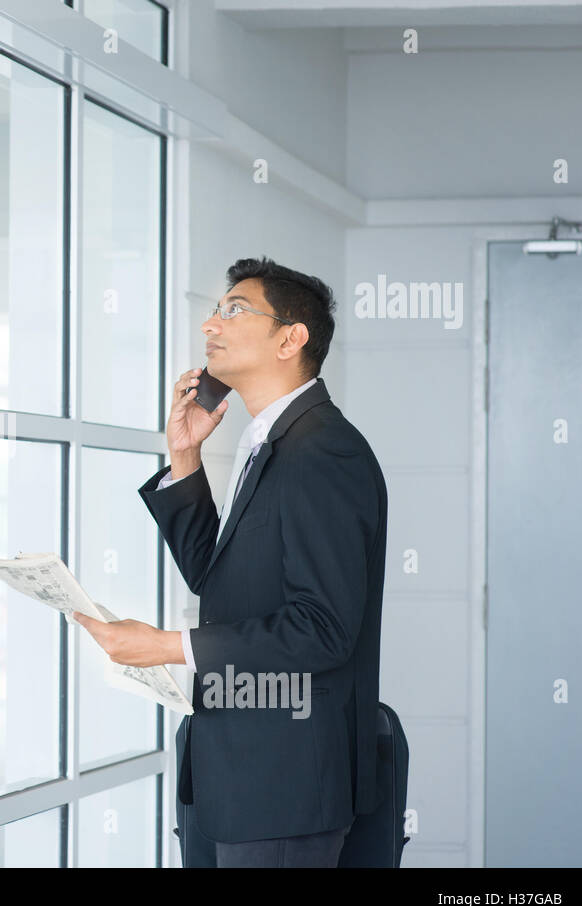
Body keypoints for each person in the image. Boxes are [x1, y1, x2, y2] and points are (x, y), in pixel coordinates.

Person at [73, 256, 388, 867]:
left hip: (284, 785)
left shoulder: (324, 451)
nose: (210, 325)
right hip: (228, 776)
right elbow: (218, 583)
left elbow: (323, 630)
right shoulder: (270, 439)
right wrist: (185, 457)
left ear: (291, 338)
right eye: (217, 309)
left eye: (234, 310)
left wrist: (167, 646)